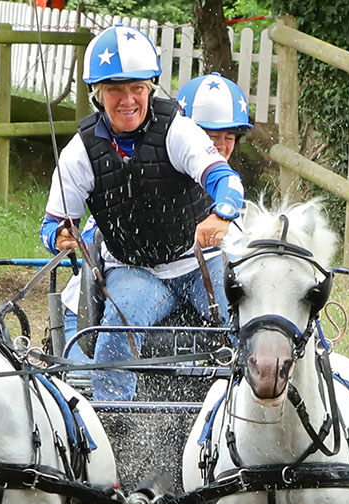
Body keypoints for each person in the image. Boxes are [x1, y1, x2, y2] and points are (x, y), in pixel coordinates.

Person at [41, 27, 246, 401]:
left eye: (136, 87)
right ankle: (109, 428)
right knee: (114, 339)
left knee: (249, 323)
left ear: (151, 87)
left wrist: (223, 213)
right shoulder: (79, 152)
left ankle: (266, 408)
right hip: (134, 271)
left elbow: (226, 181)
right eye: (114, 89)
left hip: (201, 263)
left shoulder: (179, 132)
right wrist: (59, 236)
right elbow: (51, 225)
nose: (127, 99)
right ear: (97, 95)